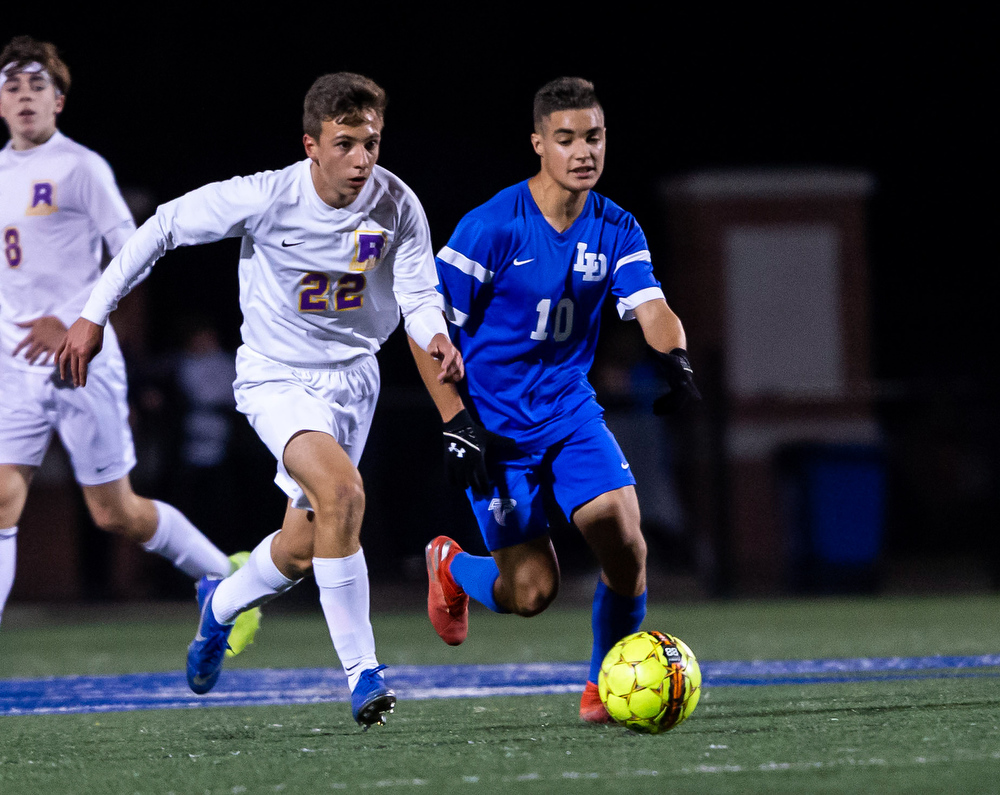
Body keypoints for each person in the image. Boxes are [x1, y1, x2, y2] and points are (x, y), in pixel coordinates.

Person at [58, 71, 471, 729]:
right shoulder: (266, 196)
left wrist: (436, 334)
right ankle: (364, 673)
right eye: (345, 144)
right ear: (311, 145)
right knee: (343, 493)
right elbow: (162, 228)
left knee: (301, 548)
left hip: (353, 381)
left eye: (371, 142)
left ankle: (220, 605)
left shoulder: (397, 204)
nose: (361, 159)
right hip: (277, 377)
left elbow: (418, 294)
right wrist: (92, 312)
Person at [423, 76, 701, 723]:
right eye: (567, 138)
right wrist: (455, 420)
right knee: (531, 593)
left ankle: (604, 686)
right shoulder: (492, 226)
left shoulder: (616, 226)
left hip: (570, 413)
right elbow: (425, 327)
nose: (584, 151)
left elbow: (651, 306)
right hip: (496, 429)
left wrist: (677, 359)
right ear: (538, 144)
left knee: (625, 542)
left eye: (594, 137)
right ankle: (451, 565)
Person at [0, 35, 260, 654]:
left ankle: (227, 582)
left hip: (81, 360)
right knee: (3, 500)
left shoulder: (80, 167)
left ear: (59, 101)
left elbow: (134, 253)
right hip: (15, 365)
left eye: (38, 85)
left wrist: (76, 321)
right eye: (12, 85)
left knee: (114, 512)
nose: (25, 95)